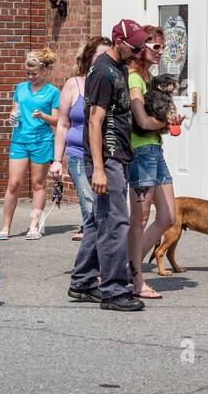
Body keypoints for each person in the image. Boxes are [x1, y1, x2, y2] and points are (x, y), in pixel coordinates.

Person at [68, 19, 147, 312]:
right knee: (116, 222)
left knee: (98, 221)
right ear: (119, 42)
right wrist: (99, 168)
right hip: (108, 159)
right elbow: (94, 121)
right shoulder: (102, 71)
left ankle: (82, 281)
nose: (138, 52)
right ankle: (113, 290)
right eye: (134, 47)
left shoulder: (120, 68)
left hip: (120, 156)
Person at [127, 25, 181, 299]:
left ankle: (127, 266)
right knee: (141, 219)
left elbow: (154, 123)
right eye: (156, 47)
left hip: (155, 150)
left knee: (169, 216)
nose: (161, 52)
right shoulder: (135, 78)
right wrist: (164, 122)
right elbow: (142, 120)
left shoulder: (152, 79)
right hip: (140, 151)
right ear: (142, 48)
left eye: (162, 46)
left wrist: (169, 122)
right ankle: (136, 279)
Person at [53, 36, 112, 241]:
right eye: (100, 55)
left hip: (107, 156)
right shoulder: (73, 85)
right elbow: (62, 124)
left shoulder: (113, 82)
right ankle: (93, 262)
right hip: (78, 155)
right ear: (89, 57)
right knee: (89, 206)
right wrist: (57, 161)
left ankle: (99, 259)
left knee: (108, 210)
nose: (105, 59)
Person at [0, 48, 61, 240]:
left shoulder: (53, 92)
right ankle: (6, 227)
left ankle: (34, 225)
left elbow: (56, 120)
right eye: (28, 73)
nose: (30, 76)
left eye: (34, 73)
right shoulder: (21, 88)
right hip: (19, 140)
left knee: (38, 184)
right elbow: (16, 109)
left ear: (44, 71)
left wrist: (43, 116)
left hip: (42, 141)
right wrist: (11, 116)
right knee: (13, 183)